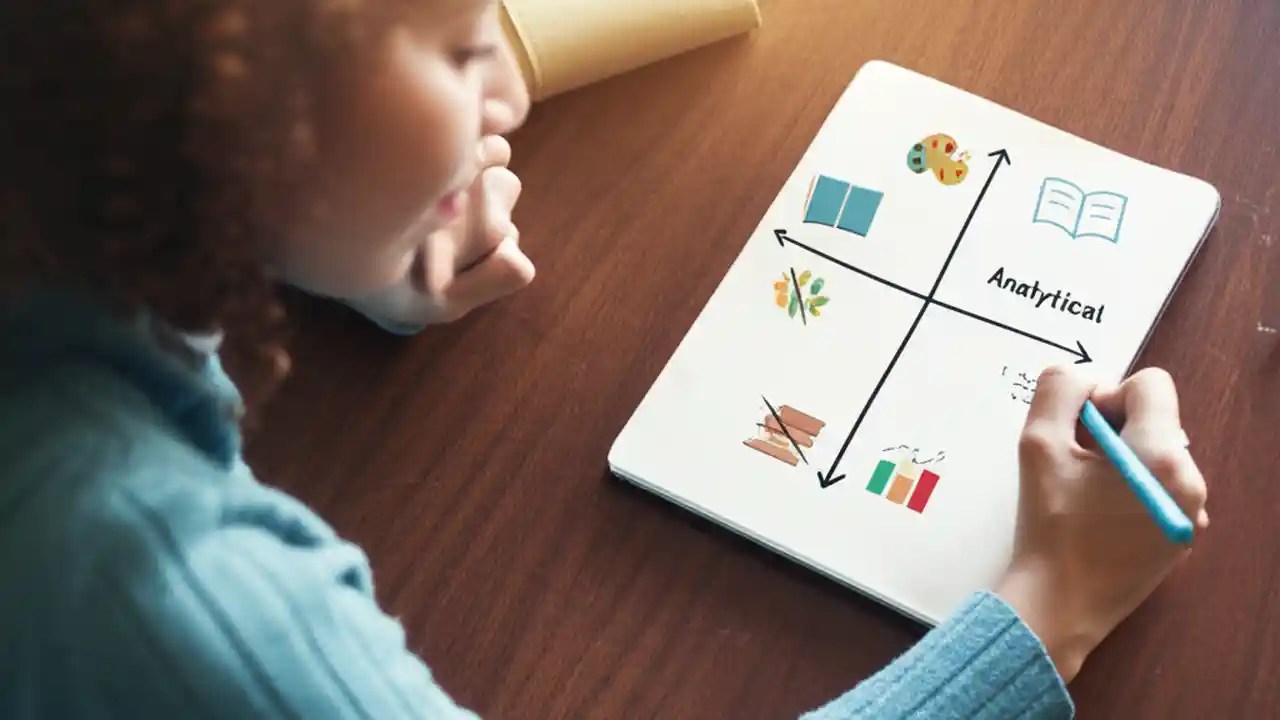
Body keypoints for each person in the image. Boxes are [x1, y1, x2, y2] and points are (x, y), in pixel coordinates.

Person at [0, 1, 1208, 718]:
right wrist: (1049, 612)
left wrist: (301, 227)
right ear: (238, 85)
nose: (505, 101)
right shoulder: (171, 592)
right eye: (468, 41)